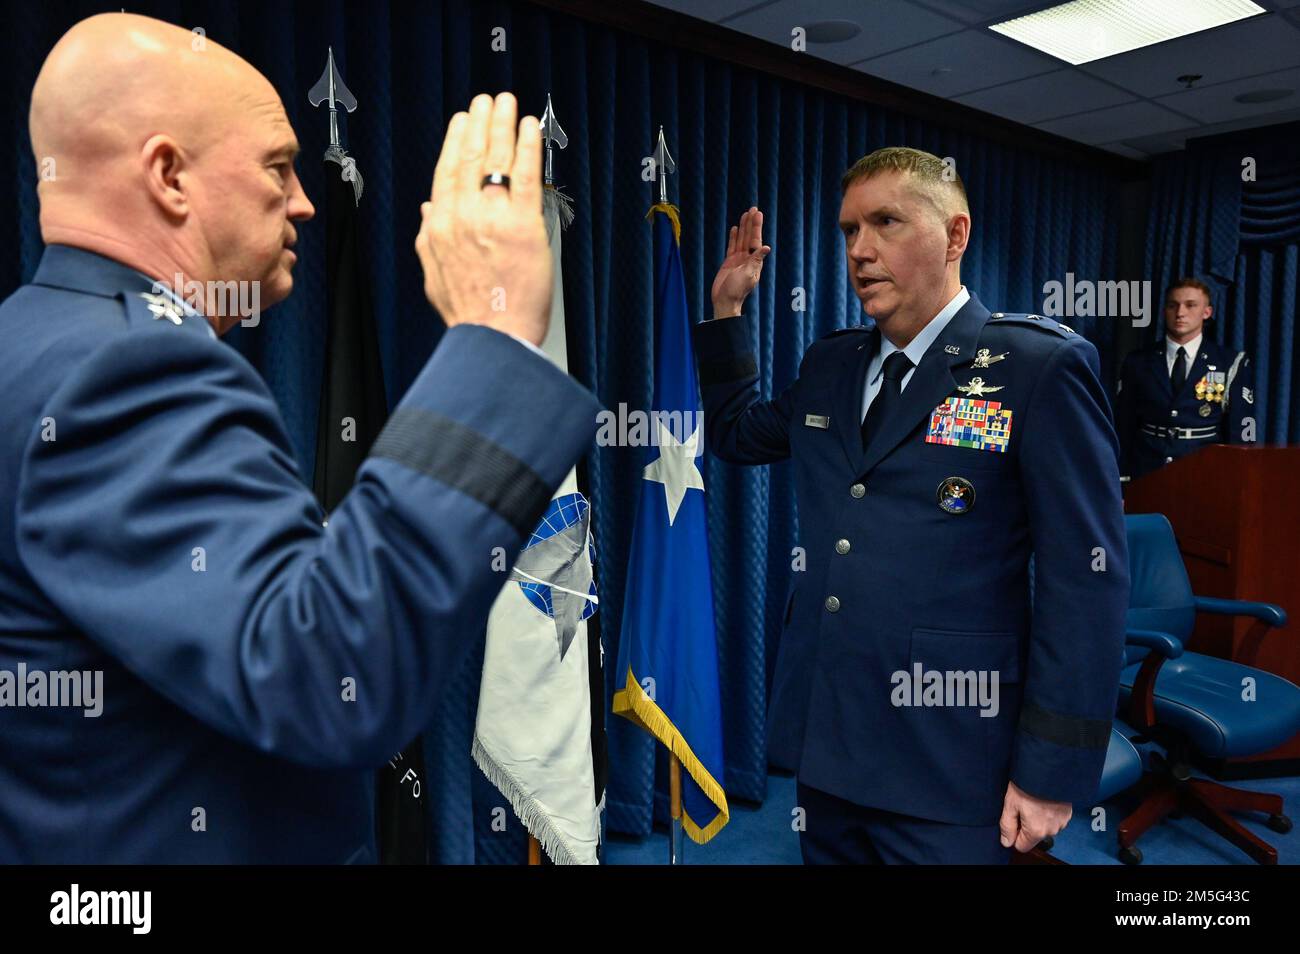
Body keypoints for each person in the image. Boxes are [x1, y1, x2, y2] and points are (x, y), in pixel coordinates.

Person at [0, 13, 601, 862]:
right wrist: (497, 339)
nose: (306, 201)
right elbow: (328, 679)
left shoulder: (27, 341)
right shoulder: (127, 369)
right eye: (278, 168)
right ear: (169, 175)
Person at [692, 147, 1129, 864]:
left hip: (952, 755)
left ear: (954, 235)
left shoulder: (1037, 367)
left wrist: (1050, 773)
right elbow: (736, 434)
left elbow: (1086, 581)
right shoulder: (830, 365)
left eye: (886, 222)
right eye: (848, 230)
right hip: (831, 739)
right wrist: (727, 310)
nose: (861, 250)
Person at [1115, 277, 1256, 479]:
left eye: (1191, 305)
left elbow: (1242, 431)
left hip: (1204, 472)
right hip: (1146, 470)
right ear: (1165, 310)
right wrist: (1121, 477)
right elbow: (1123, 424)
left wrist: (1239, 480)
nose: (1180, 313)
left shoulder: (1230, 362)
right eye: (1173, 305)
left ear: (1207, 312)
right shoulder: (1139, 361)